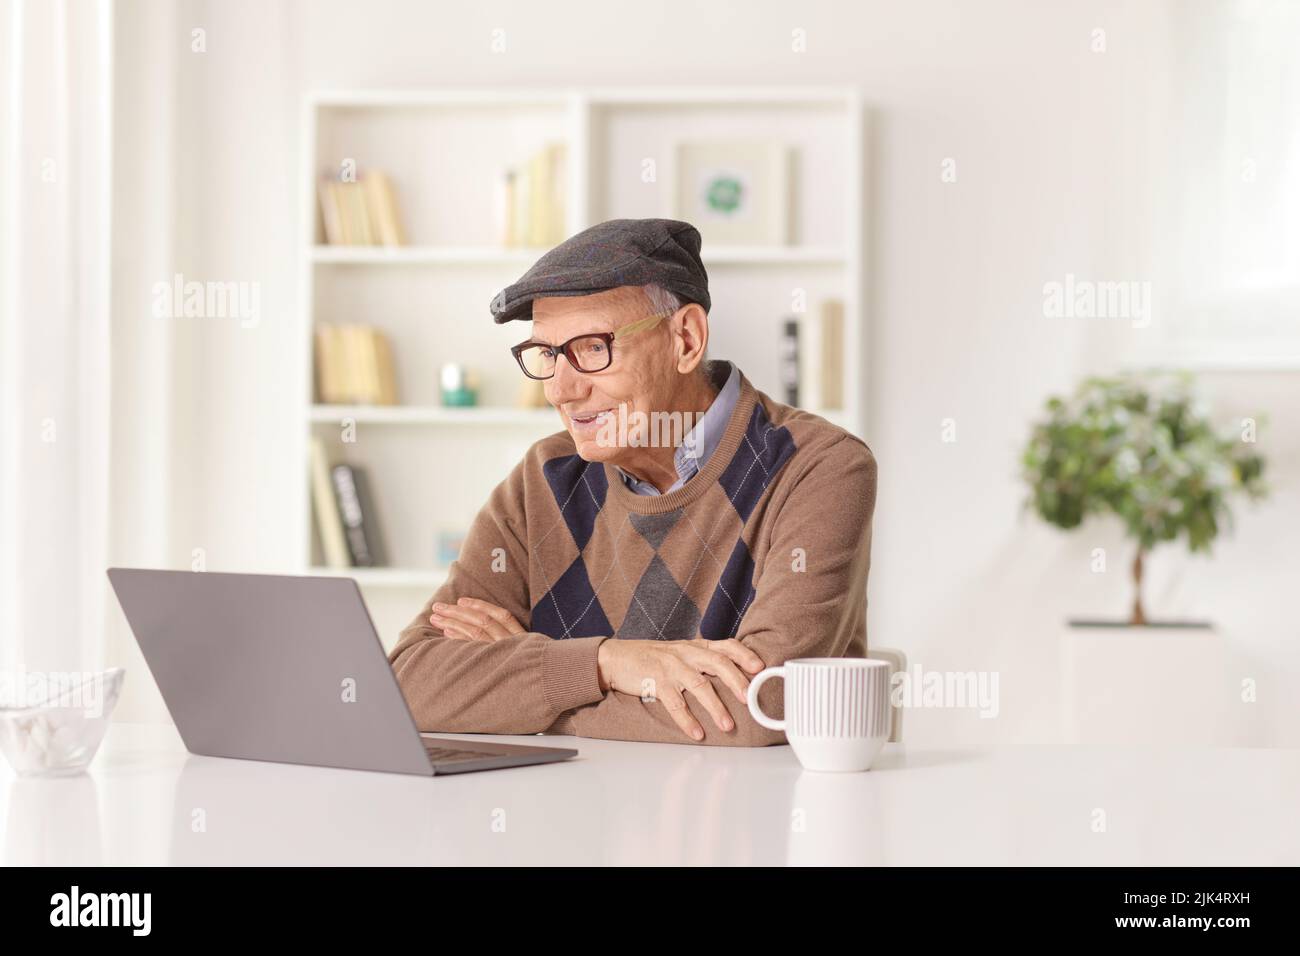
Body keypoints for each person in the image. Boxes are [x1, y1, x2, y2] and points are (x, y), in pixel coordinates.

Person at [389, 218, 878, 745]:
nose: (561, 390)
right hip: (570, 813)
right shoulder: (545, 477)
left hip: (756, 815)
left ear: (685, 340)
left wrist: (521, 691)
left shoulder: (816, 467)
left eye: (592, 348)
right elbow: (407, 684)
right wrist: (606, 663)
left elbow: (763, 706)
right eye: (548, 355)